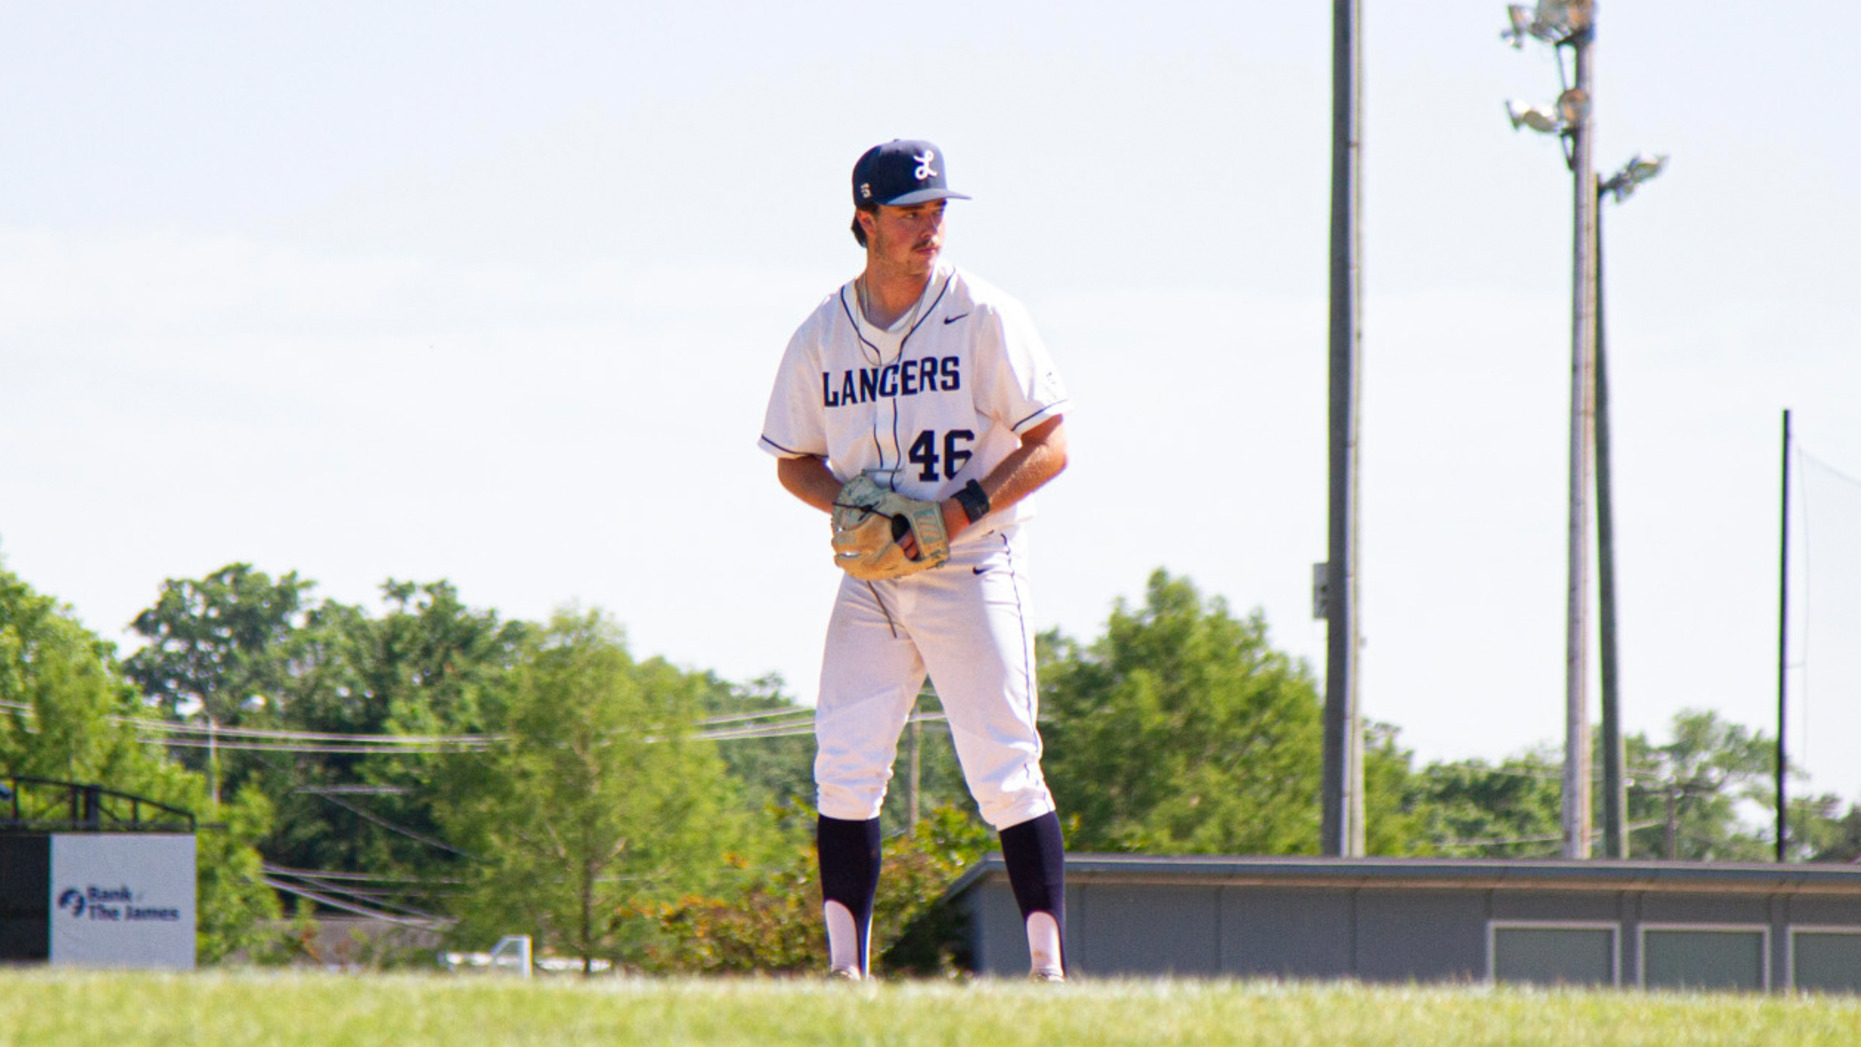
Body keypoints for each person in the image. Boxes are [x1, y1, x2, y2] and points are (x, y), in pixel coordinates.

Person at [758, 139, 1072, 982]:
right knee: (843, 768)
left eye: (936, 209)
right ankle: (843, 974)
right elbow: (794, 459)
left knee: (1005, 769)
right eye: (908, 212)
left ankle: (1047, 973)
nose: (929, 225)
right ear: (864, 220)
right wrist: (850, 508)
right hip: (872, 580)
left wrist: (954, 512)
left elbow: (1050, 444)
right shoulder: (823, 332)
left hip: (972, 565)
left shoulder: (985, 314)